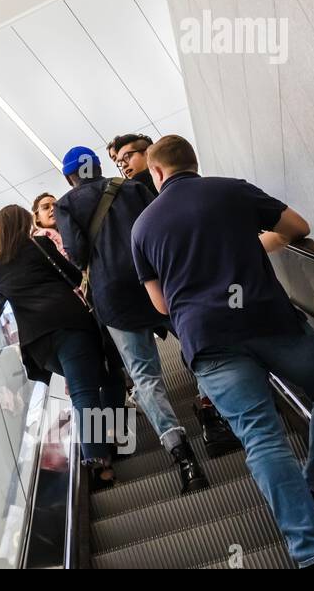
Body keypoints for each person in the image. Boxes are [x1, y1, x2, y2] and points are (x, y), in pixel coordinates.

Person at [132, 135, 314, 568]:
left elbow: (160, 305)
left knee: (262, 439)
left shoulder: (142, 227)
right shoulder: (230, 189)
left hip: (206, 340)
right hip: (268, 319)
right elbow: (298, 228)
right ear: (194, 163)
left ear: (156, 172)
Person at [55, 145, 207, 493]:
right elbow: (159, 228)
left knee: (144, 376)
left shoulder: (67, 204)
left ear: (70, 176)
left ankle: (183, 457)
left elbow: (77, 256)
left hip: (113, 298)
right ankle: (211, 410)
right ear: (97, 166)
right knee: (199, 345)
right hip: (156, 281)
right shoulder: (133, 188)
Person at [112, 131, 241, 456]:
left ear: (151, 154)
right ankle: (211, 419)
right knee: (196, 348)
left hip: (171, 288)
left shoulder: (161, 190)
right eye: (118, 161)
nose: (123, 164)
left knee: (192, 350)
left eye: (128, 156)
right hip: (162, 288)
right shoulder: (128, 195)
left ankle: (206, 424)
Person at [0, 205, 125, 487]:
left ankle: (111, 438)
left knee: (94, 382)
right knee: (85, 392)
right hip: (68, 326)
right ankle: (101, 464)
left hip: (38, 344)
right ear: (26, 223)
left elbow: (2, 293)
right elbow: (73, 276)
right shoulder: (38, 244)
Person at [30, 192, 68, 259]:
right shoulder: (41, 238)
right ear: (37, 217)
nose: (53, 209)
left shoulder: (67, 230)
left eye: (56, 206)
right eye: (46, 207)